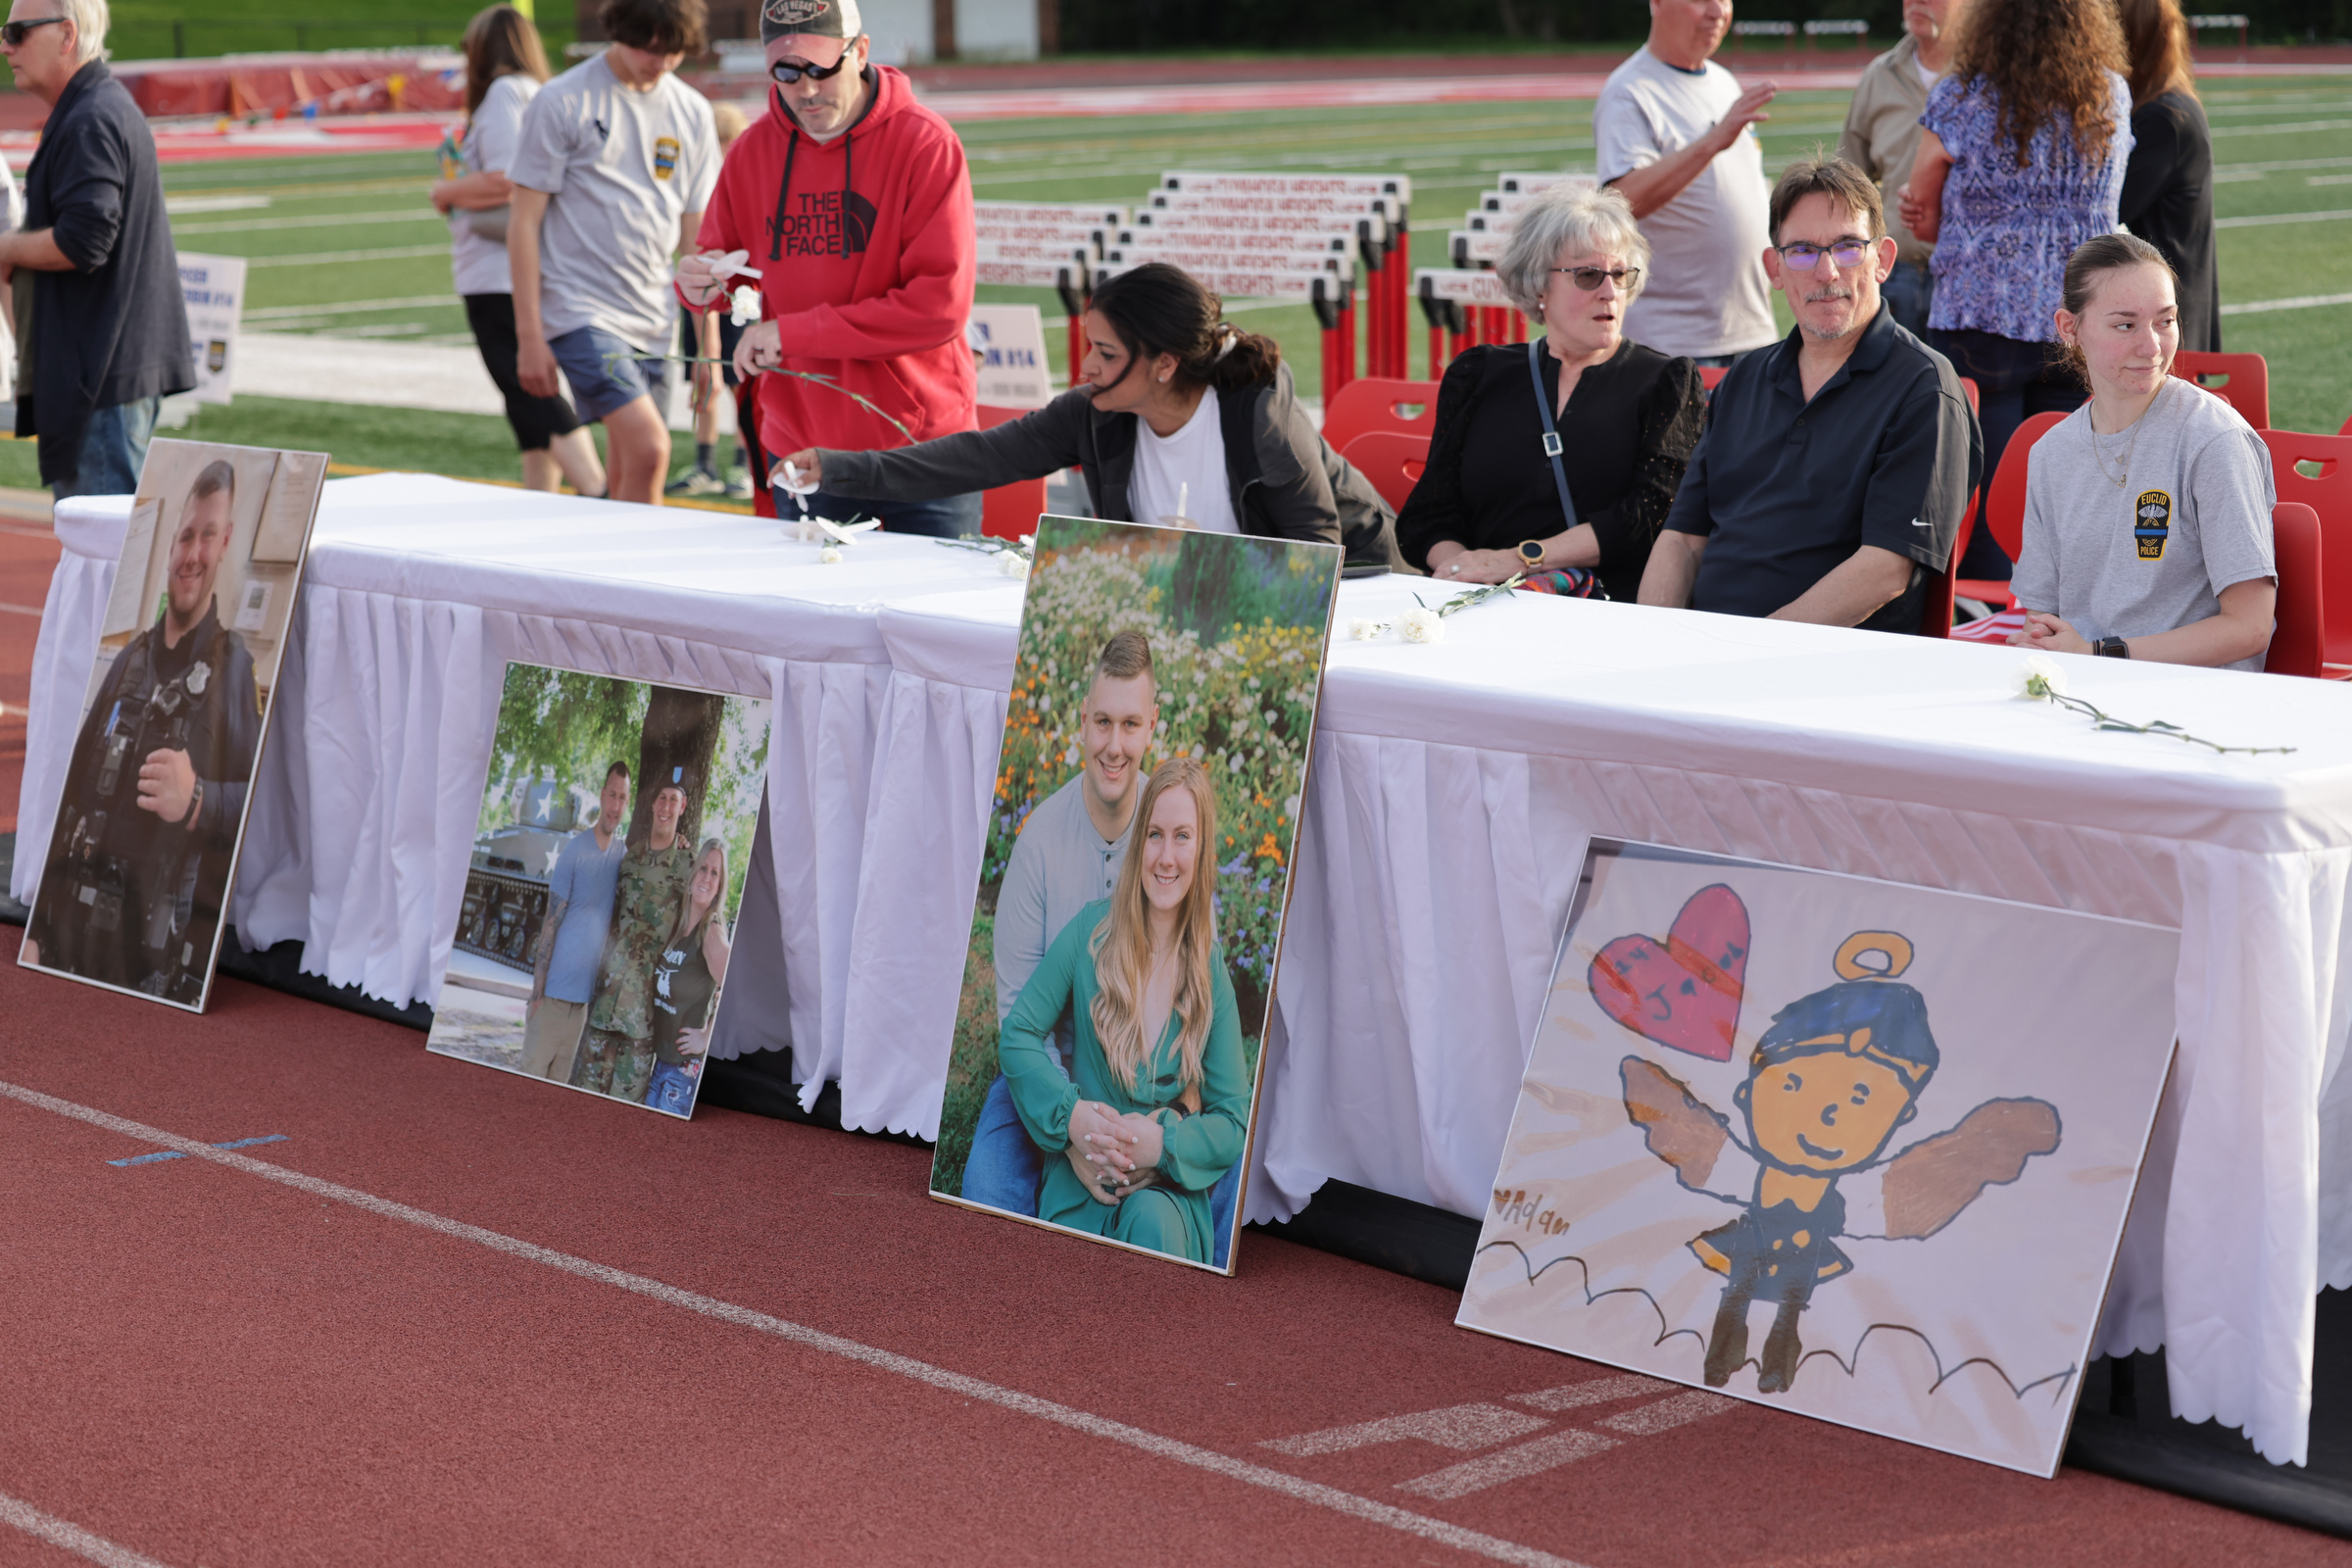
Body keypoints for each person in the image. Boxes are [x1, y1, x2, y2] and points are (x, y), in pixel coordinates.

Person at [780, 263, 1396, 566]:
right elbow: (979, 457)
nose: (1087, 367)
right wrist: (838, 468)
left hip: (1368, 593)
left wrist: (1213, 577)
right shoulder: (1094, 414)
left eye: (1107, 353)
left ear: (1164, 363)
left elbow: (1318, 553)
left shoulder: (1257, 412)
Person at [674, 0, 980, 537]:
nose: (806, 89)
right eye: (787, 72)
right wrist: (699, 285)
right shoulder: (752, 152)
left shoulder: (925, 144)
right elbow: (729, 272)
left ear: (860, 53)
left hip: (920, 445)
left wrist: (792, 333)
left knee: (932, 594)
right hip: (802, 446)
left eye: (820, 68)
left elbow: (939, 307)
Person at [1639, 156, 1980, 634]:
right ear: (1774, 268)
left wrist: (1750, 652)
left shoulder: (1924, 389)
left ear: (1882, 260)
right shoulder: (1744, 379)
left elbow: (1885, 570)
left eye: (1847, 247)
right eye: (1801, 251)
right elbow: (1682, 540)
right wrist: (1652, 639)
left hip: (1822, 664)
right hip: (1706, 647)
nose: (1826, 272)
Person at [1899, 0, 2132, 581]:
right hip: (2078, 317)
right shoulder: (2110, 95)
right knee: (2066, 495)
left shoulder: (1961, 96)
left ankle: (1988, 612)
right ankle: (2056, 618)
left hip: (1982, 316)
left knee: (1987, 497)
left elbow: (1922, 216)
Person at [1397, 181, 1705, 602]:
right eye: (1588, 275)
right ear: (1539, 285)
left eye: (1619, 275)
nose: (1609, 292)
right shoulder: (1478, 374)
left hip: (1603, 607)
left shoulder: (1666, 382)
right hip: (1478, 604)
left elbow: (1651, 517)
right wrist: (1464, 575)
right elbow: (1427, 517)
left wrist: (1519, 561)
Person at [997, 757, 1248, 1267]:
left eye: (1183, 837)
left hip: (1164, 1194)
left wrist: (1162, 1144)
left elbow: (1232, 1120)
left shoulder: (1208, 970)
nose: (1166, 857)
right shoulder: (1090, 935)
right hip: (1082, 1179)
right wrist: (1073, 1120)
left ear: (1201, 850)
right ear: (1139, 843)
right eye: (1154, 835)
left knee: (1151, 1228)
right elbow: (1018, 1034)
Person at [24, 461, 259, 1001]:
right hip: (73, 951)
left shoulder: (233, 670)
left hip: (155, 975)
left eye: (207, 536)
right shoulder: (129, 660)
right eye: (185, 537)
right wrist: (37, 930)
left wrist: (197, 801)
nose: (192, 554)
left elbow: (253, 803)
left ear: (224, 543)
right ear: (171, 546)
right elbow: (73, 799)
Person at [2006, 234, 2274, 669]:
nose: (2152, 347)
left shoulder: (2214, 440)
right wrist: (2049, 652)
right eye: (2125, 325)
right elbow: (2041, 619)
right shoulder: (2051, 453)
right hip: (2084, 687)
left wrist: (2100, 654)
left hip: (2190, 695)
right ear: (2070, 329)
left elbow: (2250, 627)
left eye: (2165, 321)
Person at [962, 631, 1158, 1213]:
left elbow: (1195, 1002)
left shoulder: (1172, 839)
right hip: (1045, 1066)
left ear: (1152, 726)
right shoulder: (1039, 842)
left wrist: (1152, 1131)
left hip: (1143, 1077)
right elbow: (1018, 1015)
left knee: (1218, 1187)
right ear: (1082, 722)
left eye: (1130, 724)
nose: (1114, 746)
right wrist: (1074, 1130)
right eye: (1103, 723)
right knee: (987, 1189)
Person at [507, 0, 718, 507]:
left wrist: (707, 344)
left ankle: (608, 556)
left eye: (675, 52)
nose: (661, 63)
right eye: (649, 48)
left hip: (655, 315)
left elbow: (696, 238)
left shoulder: (691, 111)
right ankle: (648, 560)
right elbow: (523, 223)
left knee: (629, 471)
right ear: (619, 32)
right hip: (579, 311)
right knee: (651, 449)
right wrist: (530, 336)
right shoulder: (562, 100)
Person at [1, 0, 193, 498]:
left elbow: (84, 241)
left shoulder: (90, 118)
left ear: (67, 35)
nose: (5, 46)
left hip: (102, 381)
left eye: (18, 32)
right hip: (105, 375)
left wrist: (7, 248)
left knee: (103, 540)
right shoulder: (93, 108)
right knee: (99, 538)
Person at [432, 5, 606, 498]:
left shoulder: (506, 93)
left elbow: (507, 178)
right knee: (524, 401)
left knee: (529, 388)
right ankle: (539, 502)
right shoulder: (540, 92)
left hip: (496, 269)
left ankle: (596, 488)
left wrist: (446, 191)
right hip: (520, 265)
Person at [1593, 0, 1780, 367]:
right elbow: (1622, 201)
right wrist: (1712, 141)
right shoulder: (1628, 91)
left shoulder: (1724, 82)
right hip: (1676, 344)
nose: (1717, 11)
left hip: (1751, 331)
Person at [1836, 0, 1970, 335]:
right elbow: (1848, 178)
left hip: (1969, 274)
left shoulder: (1989, 74)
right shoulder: (1880, 74)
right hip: (1892, 271)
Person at [577, 766, 698, 1102]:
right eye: (661, 798)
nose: (665, 806)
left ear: (682, 807)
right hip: (605, 1008)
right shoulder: (629, 858)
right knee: (582, 1102)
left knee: (624, 1114)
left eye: (673, 800)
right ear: (653, 804)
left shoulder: (689, 866)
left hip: (644, 1021)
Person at [2117, 0, 2219, 355]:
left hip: (2165, 316)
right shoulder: (2171, 106)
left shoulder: (2164, 119)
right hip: (2167, 306)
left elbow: (2108, 205)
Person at [522, 761, 631, 1082]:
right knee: (525, 1087)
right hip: (551, 1000)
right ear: (602, 795)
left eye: (623, 798)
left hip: (581, 1008)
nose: (615, 805)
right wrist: (537, 995)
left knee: (555, 1096)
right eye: (612, 795)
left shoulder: (622, 857)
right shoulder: (575, 850)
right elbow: (550, 924)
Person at [667, 102, 754, 500]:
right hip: (702, 297)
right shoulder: (699, 185)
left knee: (741, 380)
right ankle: (705, 462)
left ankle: (743, 463)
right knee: (703, 379)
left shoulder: (744, 183)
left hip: (740, 295)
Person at [644, 837, 731, 1115]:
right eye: (703, 868)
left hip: (684, 1072)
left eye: (715, 873)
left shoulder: (711, 932)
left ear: (719, 886)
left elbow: (737, 989)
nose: (707, 877)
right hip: (662, 1063)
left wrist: (707, 1036)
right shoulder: (680, 927)